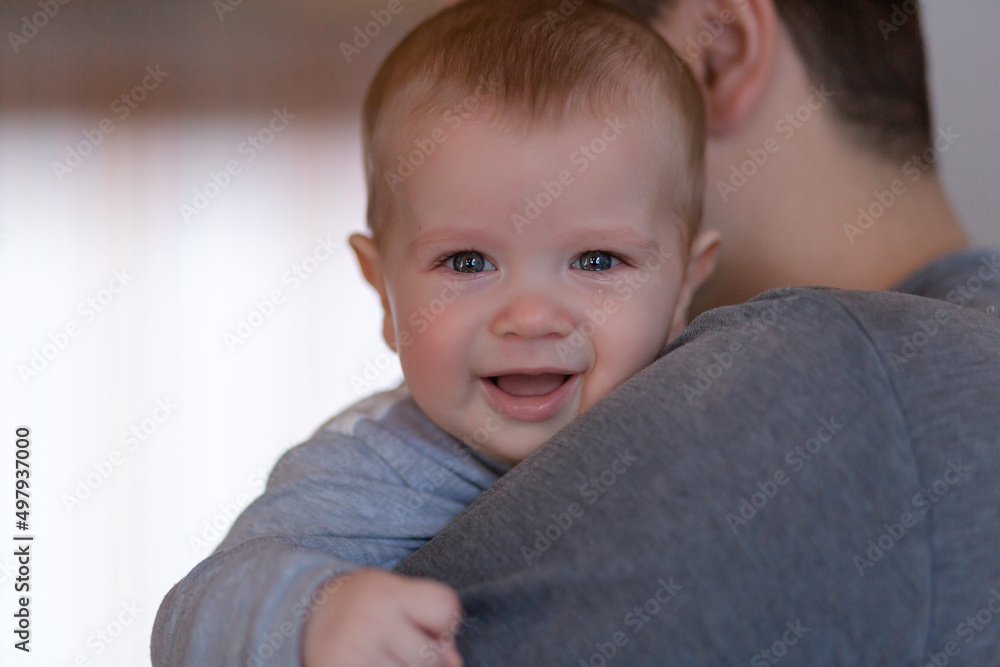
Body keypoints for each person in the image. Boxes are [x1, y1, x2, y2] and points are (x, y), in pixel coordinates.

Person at [389, 0, 1000, 664]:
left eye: (567, 59)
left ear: (718, 52)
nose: (530, 316)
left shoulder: (800, 377)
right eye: (467, 260)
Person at [152, 1, 720, 664]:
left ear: (685, 284)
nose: (531, 317)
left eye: (596, 261)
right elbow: (187, 620)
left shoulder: (710, 423)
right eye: (467, 262)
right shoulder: (374, 472)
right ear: (383, 290)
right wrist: (317, 614)